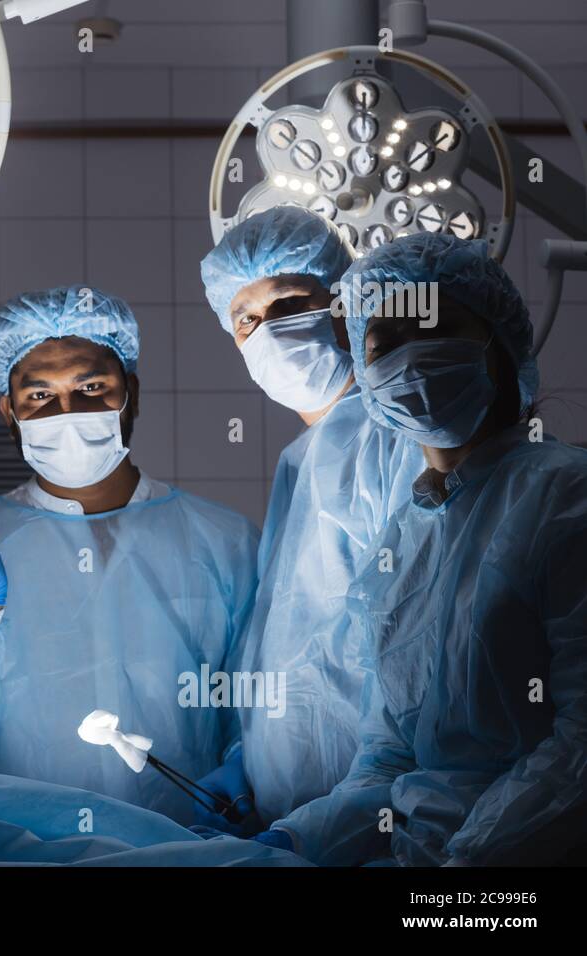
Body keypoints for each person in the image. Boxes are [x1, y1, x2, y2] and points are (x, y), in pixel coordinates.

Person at [255, 233, 587, 865]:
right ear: (367, 376)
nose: (411, 359)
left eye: (437, 329)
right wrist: (305, 837)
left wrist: (466, 866)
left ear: (499, 343)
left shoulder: (565, 494)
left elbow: (581, 745)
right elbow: (389, 754)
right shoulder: (405, 536)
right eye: (385, 344)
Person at [0, 286, 259, 823]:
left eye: (91, 386)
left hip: (188, 846)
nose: (68, 411)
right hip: (20, 849)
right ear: (9, 412)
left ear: (131, 391)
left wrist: (247, 766)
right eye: (39, 396)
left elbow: (259, 706)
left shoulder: (223, 541)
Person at [194, 206, 422, 831]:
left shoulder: (398, 437)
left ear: (343, 305)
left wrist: (347, 820)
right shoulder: (298, 463)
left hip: (381, 823)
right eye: (247, 319)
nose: (270, 330)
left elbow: (421, 653)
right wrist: (247, 757)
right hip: (290, 813)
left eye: (292, 303)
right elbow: (284, 640)